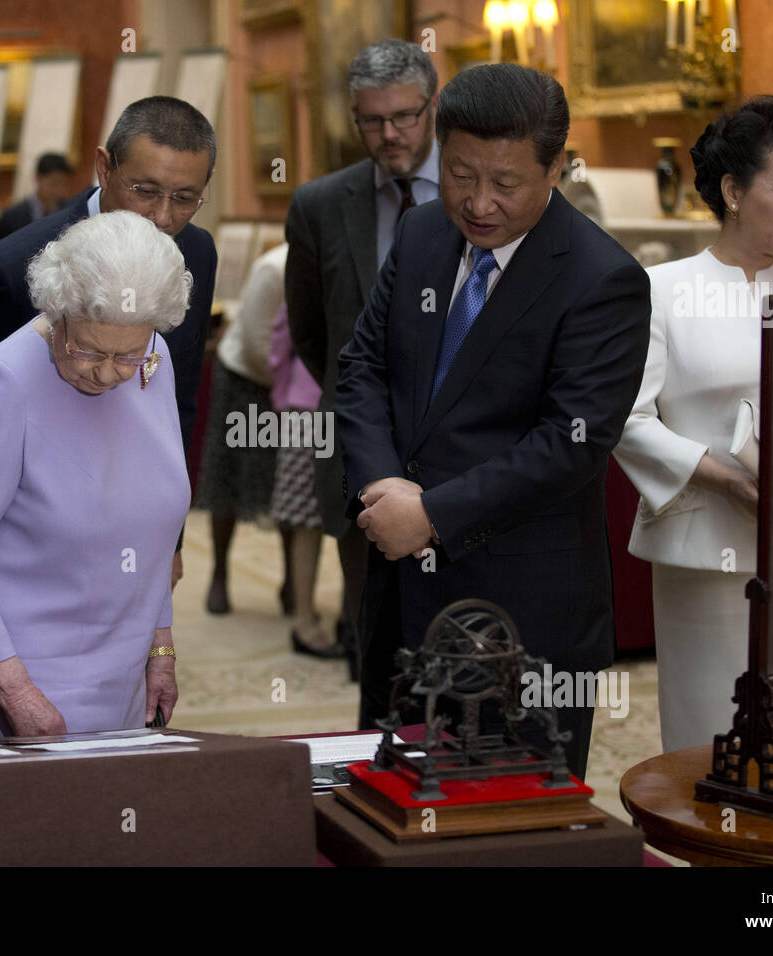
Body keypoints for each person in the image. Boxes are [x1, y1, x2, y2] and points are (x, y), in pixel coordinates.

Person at [335, 63, 650, 780]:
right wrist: (383, 483)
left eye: (505, 183)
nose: (477, 203)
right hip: (399, 599)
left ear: (557, 168)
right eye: (460, 174)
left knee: (510, 825)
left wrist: (435, 515)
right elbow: (365, 369)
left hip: (523, 617)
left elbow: (568, 444)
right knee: (391, 806)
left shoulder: (602, 280)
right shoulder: (421, 235)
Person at [0, 96, 217, 593]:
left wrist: (173, 536)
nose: (163, 217)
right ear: (104, 167)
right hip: (30, 553)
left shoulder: (194, 253)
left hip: (136, 537)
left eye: (185, 198)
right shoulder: (9, 271)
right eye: (145, 190)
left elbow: (178, 398)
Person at [613, 96, 773, 753]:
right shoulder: (661, 290)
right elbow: (627, 418)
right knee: (713, 735)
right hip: (701, 547)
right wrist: (723, 479)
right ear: (735, 190)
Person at [0, 211, 189, 736]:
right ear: (58, 310)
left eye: (126, 355)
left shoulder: (152, 361)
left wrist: (161, 646)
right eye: (89, 349)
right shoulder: (2, 384)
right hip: (26, 680)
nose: (108, 372)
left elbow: (150, 523)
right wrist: (14, 690)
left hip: (127, 672)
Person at [286, 39, 441, 674]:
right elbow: (311, 334)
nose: (389, 134)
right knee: (373, 643)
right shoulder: (320, 205)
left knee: (460, 639)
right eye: (371, 120)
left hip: (461, 452)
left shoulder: (474, 195)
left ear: (433, 106)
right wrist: (368, 414)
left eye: (404, 115)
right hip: (360, 455)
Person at [194, 241, 294, 622]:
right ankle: (219, 575)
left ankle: (292, 585)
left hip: (295, 384)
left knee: (289, 482)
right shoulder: (274, 268)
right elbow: (255, 345)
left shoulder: (330, 262)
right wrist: (289, 390)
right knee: (230, 478)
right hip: (246, 378)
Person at [269, 297, 339, 658]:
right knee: (306, 519)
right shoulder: (308, 265)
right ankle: (305, 620)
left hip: (346, 404)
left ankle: (336, 618)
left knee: (357, 515)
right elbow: (283, 338)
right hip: (308, 405)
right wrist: (283, 398)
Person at [0, 152, 73, 239]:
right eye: (54, 183)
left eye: (64, 184)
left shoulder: (68, 214)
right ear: (38, 178)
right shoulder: (12, 217)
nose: (60, 190)